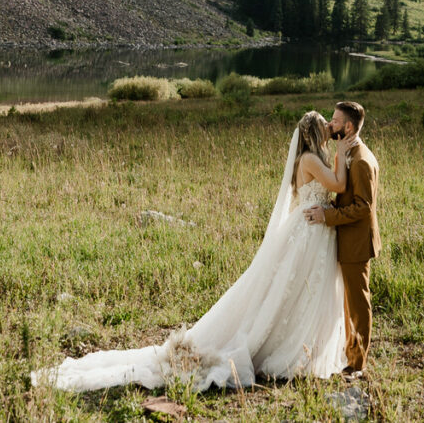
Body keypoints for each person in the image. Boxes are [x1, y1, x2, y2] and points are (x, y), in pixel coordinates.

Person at [32, 109, 351, 391]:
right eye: (325, 124)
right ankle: (287, 348)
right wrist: (342, 150)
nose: (329, 128)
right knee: (290, 289)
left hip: (314, 230)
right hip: (308, 230)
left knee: (297, 291)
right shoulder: (309, 160)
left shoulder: (313, 158)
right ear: (314, 132)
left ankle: (304, 342)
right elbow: (337, 185)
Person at [304, 100, 379, 376]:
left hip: (356, 242)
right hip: (347, 239)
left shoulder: (360, 160)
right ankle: (350, 354)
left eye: (334, 121)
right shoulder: (349, 153)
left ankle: (357, 364)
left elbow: (363, 207)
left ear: (347, 127)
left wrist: (327, 215)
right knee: (348, 303)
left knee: (357, 303)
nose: (330, 124)